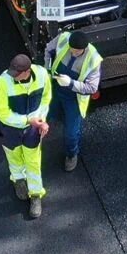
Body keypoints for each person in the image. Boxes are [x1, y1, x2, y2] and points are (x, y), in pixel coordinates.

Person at [0, 52, 52, 218]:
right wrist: (28, 120)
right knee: (14, 156)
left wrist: (41, 120)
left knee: (33, 161)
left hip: (33, 128)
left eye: (17, 74)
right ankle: (18, 179)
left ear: (27, 71)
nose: (13, 77)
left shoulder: (41, 75)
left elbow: (46, 98)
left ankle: (35, 195)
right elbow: (2, 113)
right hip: (10, 129)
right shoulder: (3, 82)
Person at [46, 28, 103, 170]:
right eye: (71, 49)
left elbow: (91, 88)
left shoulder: (93, 60)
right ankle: (32, 142)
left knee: (71, 133)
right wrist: (47, 69)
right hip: (54, 89)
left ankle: (72, 154)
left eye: (77, 51)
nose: (73, 52)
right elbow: (48, 49)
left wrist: (70, 83)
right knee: (40, 116)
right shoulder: (63, 38)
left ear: (84, 49)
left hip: (73, 98)